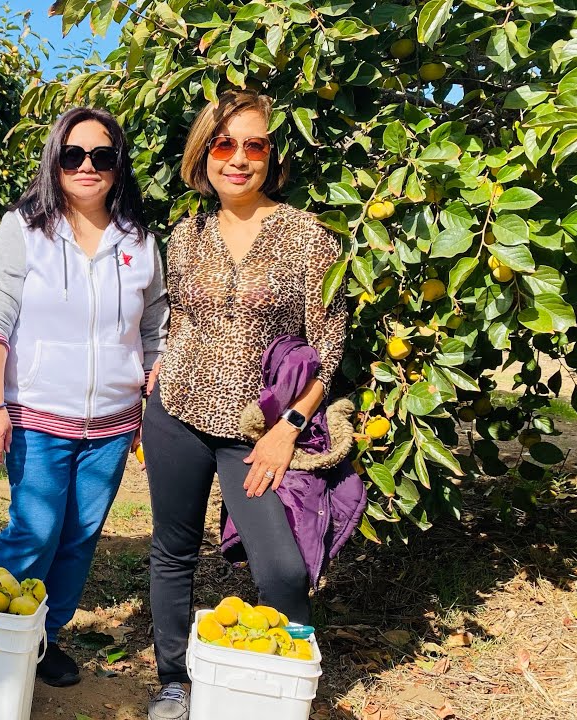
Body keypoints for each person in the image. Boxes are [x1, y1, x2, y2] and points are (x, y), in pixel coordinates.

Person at [142, 90, 349, 720]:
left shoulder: (308, 237)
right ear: (202, 153)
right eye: (223, 144)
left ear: (271, 156)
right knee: (173, 549)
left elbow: (329, 348)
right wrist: (160, 367)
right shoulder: (185, 235)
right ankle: (174, 680)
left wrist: (290, 426)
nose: (238, 158)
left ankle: (275, 686)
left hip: (255, 429)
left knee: (281, 569)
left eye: (253, 145)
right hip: (176, 412)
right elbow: (178, 318)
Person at [0, 107, 169, 687]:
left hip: (112, 423)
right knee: (34, 530)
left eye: (102, 156)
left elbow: (155, 327)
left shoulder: (139, 243)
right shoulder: (24, 231)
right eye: (73, 155)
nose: (87, 166)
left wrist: (150, 392)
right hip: (37, 416)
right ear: (54, 161)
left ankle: (44, 638)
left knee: (80, 536)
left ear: (118, 165)